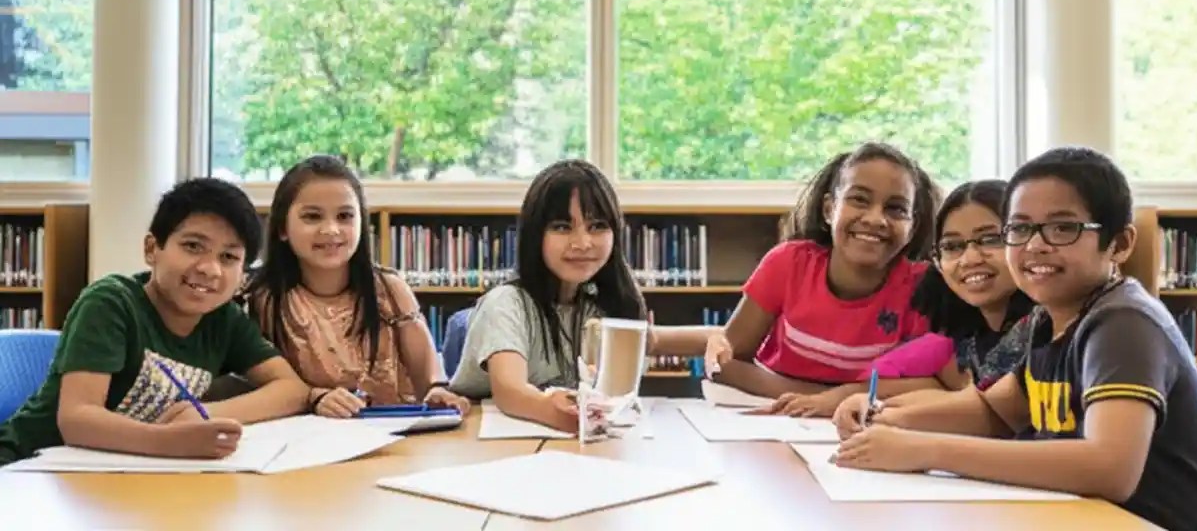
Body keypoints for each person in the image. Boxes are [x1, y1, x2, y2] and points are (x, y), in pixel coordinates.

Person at [832, 147, 1197, 531]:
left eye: (1063, 228)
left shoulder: (1123, 323)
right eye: (1020, 229)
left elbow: (1110, 469)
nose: (1035, 245)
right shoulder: (1048, 320)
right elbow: (995, 411)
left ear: (1120, 244)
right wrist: (886, 418)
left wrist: (926, 450)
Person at [0, 178, 310, 465]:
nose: (210, 269)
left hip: (122, 472)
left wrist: (204, 415)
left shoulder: (223, 319)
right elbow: (77, 420)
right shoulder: (111, 303)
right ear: (152, 249)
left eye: (228, 257)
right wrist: (172, 441)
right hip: (27, 467)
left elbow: (292, 389)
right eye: (193, 246)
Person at [450, 159, 721, 432]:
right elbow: (511, 392)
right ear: (535, 235)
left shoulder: (598, 307)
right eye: (562, 227)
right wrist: (563, 411)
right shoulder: (506, 304)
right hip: (486, 442)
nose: (582, 243)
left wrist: (719, 340)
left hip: (573, 444)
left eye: (597, 226)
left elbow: (657, 340)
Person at [703, 142, 946, 411]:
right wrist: (827, 398)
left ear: (912, 227)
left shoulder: (924, 289)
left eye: (896, 208)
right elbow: (724, 363)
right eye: (859, 200)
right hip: (779, 419)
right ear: (829, 209)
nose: (875, 219)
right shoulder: (788, 264)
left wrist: (835, 399)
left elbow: (937, 385)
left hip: (867, 426)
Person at [242, 155, 469, 418]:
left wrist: (438, 393)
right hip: (306, 435)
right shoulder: (262, 299)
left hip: (395, 430)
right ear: (282, 227)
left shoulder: (389, 290)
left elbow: (429, 381)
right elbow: (259, 385)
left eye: (345, 216)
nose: (331, 229)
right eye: (312, 217)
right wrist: (315, 398)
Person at [831, 180, 1036, 425]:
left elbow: (997, 416)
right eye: (952, 246)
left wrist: (889, 416)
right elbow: (967, 399)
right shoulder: (971, 340)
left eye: (990, 239)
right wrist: (873, 404)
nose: (970, 259)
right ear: (937, 261)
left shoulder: (1043, 328)